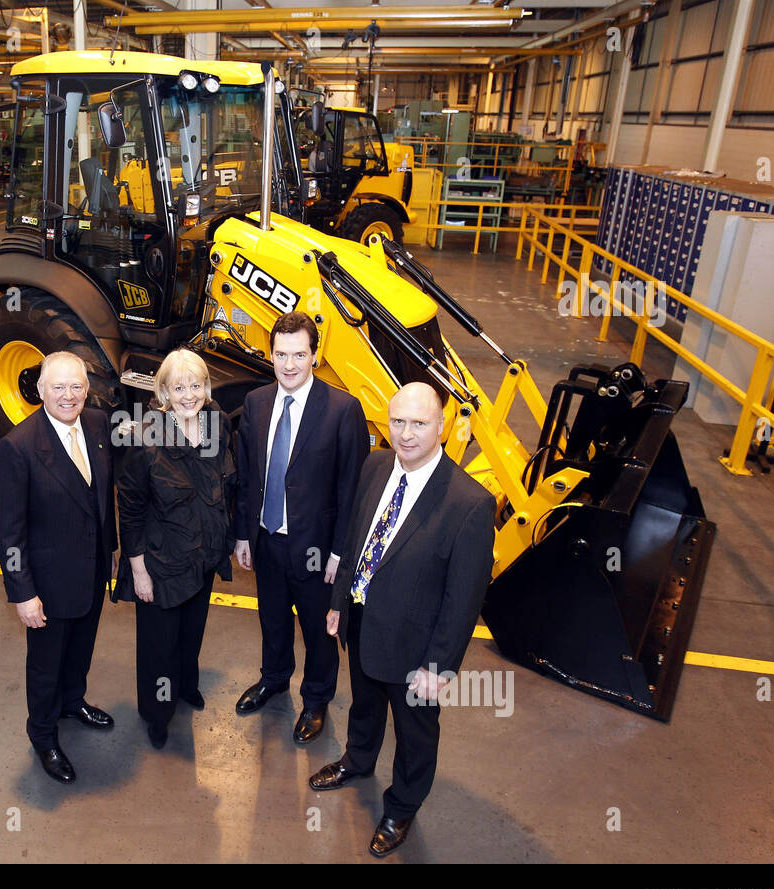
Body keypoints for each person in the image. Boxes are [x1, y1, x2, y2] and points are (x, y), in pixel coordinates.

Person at [308, 382, 495, 858]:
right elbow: (355, 540)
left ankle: (401, 806)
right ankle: (359, 759)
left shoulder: (469, 504)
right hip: (363, 620)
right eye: (397, 422)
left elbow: (463, 599)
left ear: (443, 426)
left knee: (415, 733)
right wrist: (337, 602)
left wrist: (440, 666)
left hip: (417, 650)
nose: (406, 434)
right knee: (364, 703)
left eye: (419, 423)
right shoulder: (376, 466)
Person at [233, 311, 369, 743]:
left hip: (315, 549)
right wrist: (242, 533)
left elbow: (352, 491)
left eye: (298, 355)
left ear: (315, 355)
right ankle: (273, 679)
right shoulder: (256, 403)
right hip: (267, 539)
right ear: (270, 354)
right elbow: (246, 476)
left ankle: (315, 701)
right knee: (271, 619)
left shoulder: (343, 410)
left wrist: (338, 555)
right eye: (280, 355)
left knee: (318, 631)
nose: (289, 365)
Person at [0, 351, 118, 785]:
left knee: (80, 650)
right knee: (45, 665)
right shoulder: (18, 448)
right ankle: (43, 734)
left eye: (76, 386)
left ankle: (73, 701)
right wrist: (23, 592)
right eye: (58, 387)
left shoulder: (98, 425)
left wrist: (111, 554)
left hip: (92, 571)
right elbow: (9, 531)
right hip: (47, 584)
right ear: (40, 390)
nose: (69, 395)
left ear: (87, 389)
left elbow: (102, 498)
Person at [113, 350, 235, 749]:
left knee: (191, 633)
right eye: (179, 387)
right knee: (158, 646)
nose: (188, 395)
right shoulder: (145, 438)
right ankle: (157, 712)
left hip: (201, 556)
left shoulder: (216, 422)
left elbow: (224, 484)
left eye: (195, 385)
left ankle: (185, 688)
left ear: (206, 387)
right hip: (161, 562)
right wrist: (140, 571)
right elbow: (130, 510)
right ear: (163, 390)